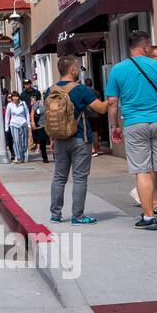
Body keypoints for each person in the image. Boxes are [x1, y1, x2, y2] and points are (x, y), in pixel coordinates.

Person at [106, 30, 157, 230]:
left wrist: (114, 126)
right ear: (146, 45)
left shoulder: (118, 70)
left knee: (142, 171)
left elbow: (112, 102)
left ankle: (149, 217)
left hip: (134, 123)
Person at [46, 54, 109, 224]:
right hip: (80, 138)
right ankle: (78, 216)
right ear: (73, 69)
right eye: (78, 68)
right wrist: (112, 97)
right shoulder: (80, 89)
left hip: (58, 139)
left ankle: (55, 214)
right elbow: (102, 109)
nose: (79, 71)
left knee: (59, 177)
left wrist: (52, 139)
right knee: (80, 177)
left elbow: (51, 117)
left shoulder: (50, 90)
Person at [5, 91, 31, 164]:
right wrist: (6, 126)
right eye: (13, 97)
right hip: (13, 124)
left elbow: (27, 114)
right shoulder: (10, 105)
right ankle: (18, 157)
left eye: (16, 96)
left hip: (23, 123)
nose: (15, 98)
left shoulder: (23, 103)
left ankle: (24, 156)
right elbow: (7, 117)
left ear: (18, 97)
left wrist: (28, 124)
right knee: (16, 141)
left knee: (24, 141)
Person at [31, 93, 49, 164]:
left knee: (53, 141)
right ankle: (45, 157)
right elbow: (32, 113)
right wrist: (33, 123)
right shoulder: (38, 103)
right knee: (42, 141)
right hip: (40, 125)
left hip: (51, 125)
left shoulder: (52, 103)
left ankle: (55, 155)